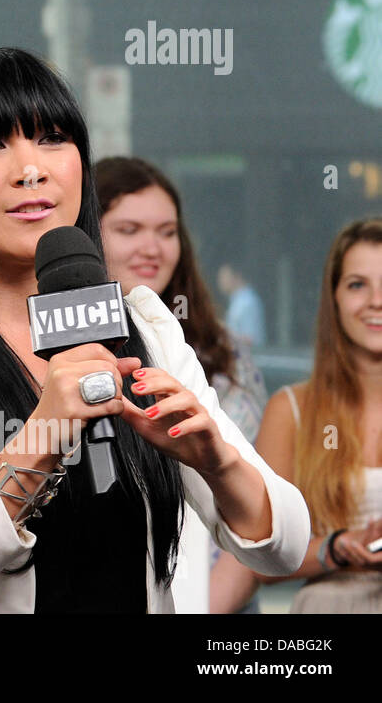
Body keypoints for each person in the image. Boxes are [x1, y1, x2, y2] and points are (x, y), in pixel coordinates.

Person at [0, 47, 310, 613]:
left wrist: (217, 460)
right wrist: (44, 434)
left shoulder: (143, 326)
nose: (33, 169)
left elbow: (286, 549)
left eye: (53, 138)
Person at [95, 156, 269, 613]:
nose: (152, 247)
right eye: (129, 230)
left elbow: (254, 495)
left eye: (167, 231)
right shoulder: (54, 352)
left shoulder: (227, 354)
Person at [241, 218, 382, 611]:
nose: (376, 300)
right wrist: (338, 547)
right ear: (334, 296)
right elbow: (265, 562)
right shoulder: (291, 411)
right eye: (358, 284)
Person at [219, 263, 267, 347]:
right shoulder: (237, 301)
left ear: (237, 276)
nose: (221, 281)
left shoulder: (248, 302)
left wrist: (221, 331)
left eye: (224, 277)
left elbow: (251, 340)